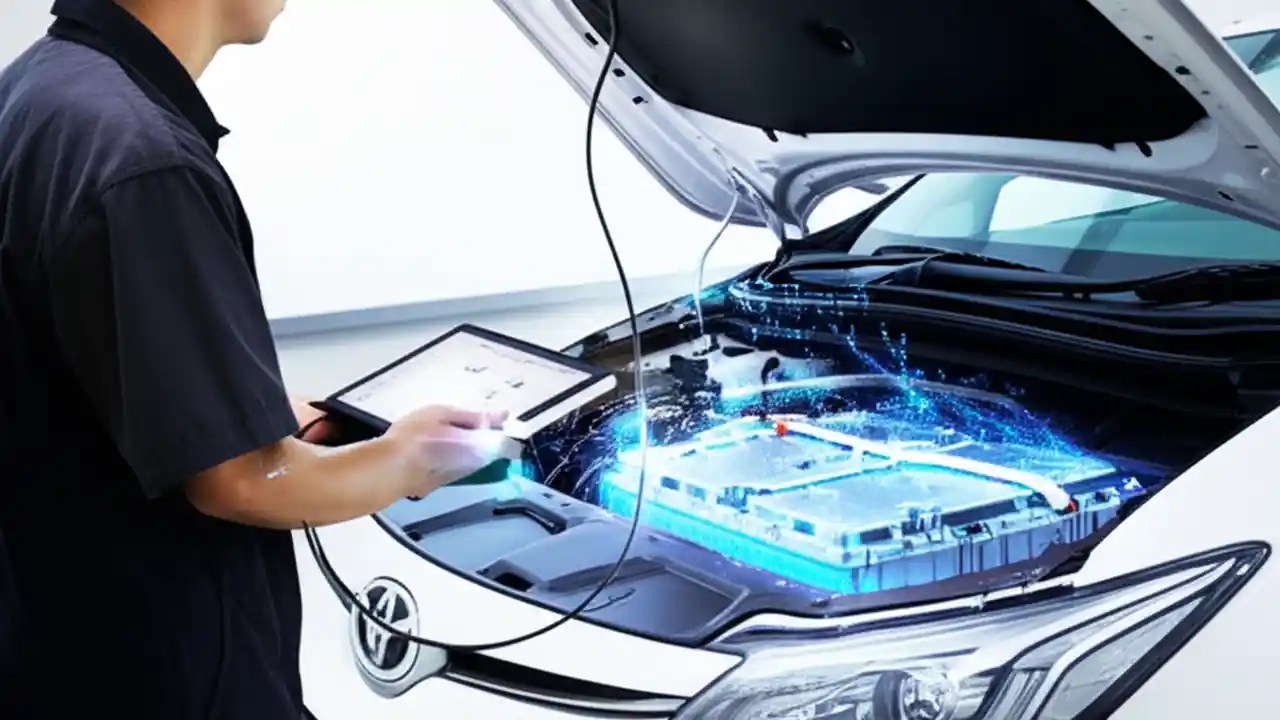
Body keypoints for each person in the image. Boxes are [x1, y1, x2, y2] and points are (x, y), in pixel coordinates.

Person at [0, 1, 503, 716]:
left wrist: (250, 413)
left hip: (58, 646)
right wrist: (409, 459)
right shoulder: (145, 164)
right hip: (164, 671)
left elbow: (78, 371)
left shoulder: (38, 90)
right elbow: (238, 483)